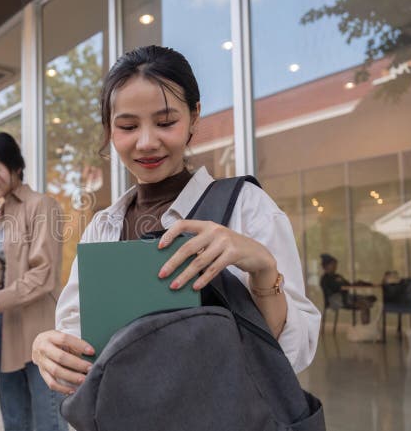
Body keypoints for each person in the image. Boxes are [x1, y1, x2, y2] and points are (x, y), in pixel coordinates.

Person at [31, 45, 322, 396]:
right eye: (127, 126)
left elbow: (295, 352)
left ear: (194, 117)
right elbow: (78, 336)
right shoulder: (104, 227)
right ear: (110, 129)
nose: (146, 142)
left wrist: (263, 268)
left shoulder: (246, 207)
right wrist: (48, 348)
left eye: (166, 122)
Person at [0, 132, 68, 431]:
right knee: (15, 421)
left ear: (16, 167)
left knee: (49, 422)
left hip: (40, 329)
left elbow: (43, 273)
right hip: (8, 331)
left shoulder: (42, 206)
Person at [320, 253, 375, 324]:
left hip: (345, 297)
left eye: (335, 264)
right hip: (335, 301)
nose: (335, 266)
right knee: (363, 304)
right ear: (326, 266)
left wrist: (358, 283)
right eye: (333, 264)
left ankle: (365, 328)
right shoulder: (325, 279)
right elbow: (337, 288)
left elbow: (347, 285)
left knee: (365, 302)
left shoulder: (338, 276)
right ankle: (363, 329)